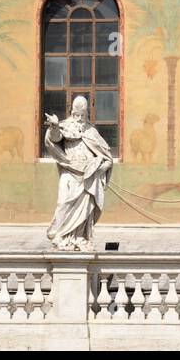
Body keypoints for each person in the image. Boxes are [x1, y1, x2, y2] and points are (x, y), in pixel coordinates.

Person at [44, 96, 114, 251]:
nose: (80, 118)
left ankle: (79, 237)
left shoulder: (91, 131)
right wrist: (54, 126)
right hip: (70, 171)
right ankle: (60, 235)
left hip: (88, 176)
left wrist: (105, 165)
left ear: (87, 113)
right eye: (77, 115)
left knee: (85, 210)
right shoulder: (65, 126)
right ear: (72, 112)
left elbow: (106, 154)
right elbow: (54, 139)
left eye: (83, 115)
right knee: (64, 202)